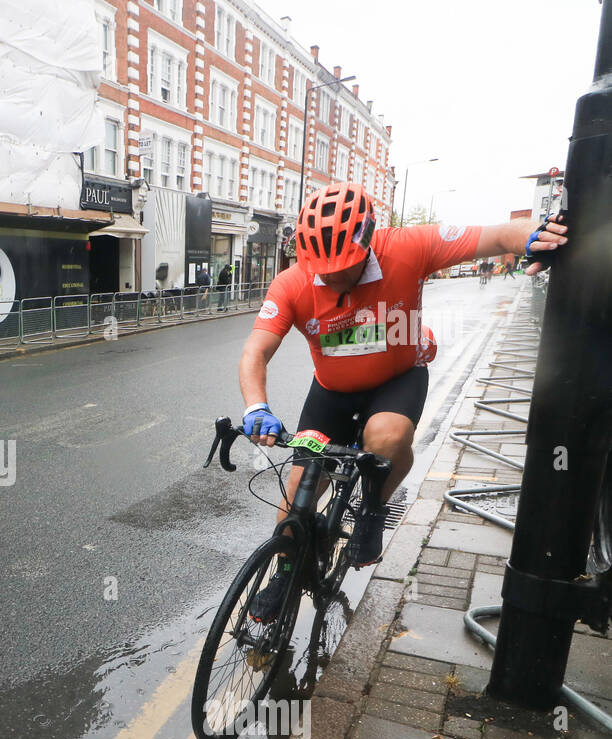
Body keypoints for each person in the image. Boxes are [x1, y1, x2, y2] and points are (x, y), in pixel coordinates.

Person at [238, 182, 567, 621]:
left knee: (386, 436)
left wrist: (537, 232)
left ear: (369, 240)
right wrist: (255, 406)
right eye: (321, 268)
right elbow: (255, 352)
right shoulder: (292, 282)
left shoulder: (409, 247)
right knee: (299, 486)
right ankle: (284, 570)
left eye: (345, 266)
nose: (332, 277)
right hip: (332, 392)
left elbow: (497, 234)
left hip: (397, 379)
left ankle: (374, 507)